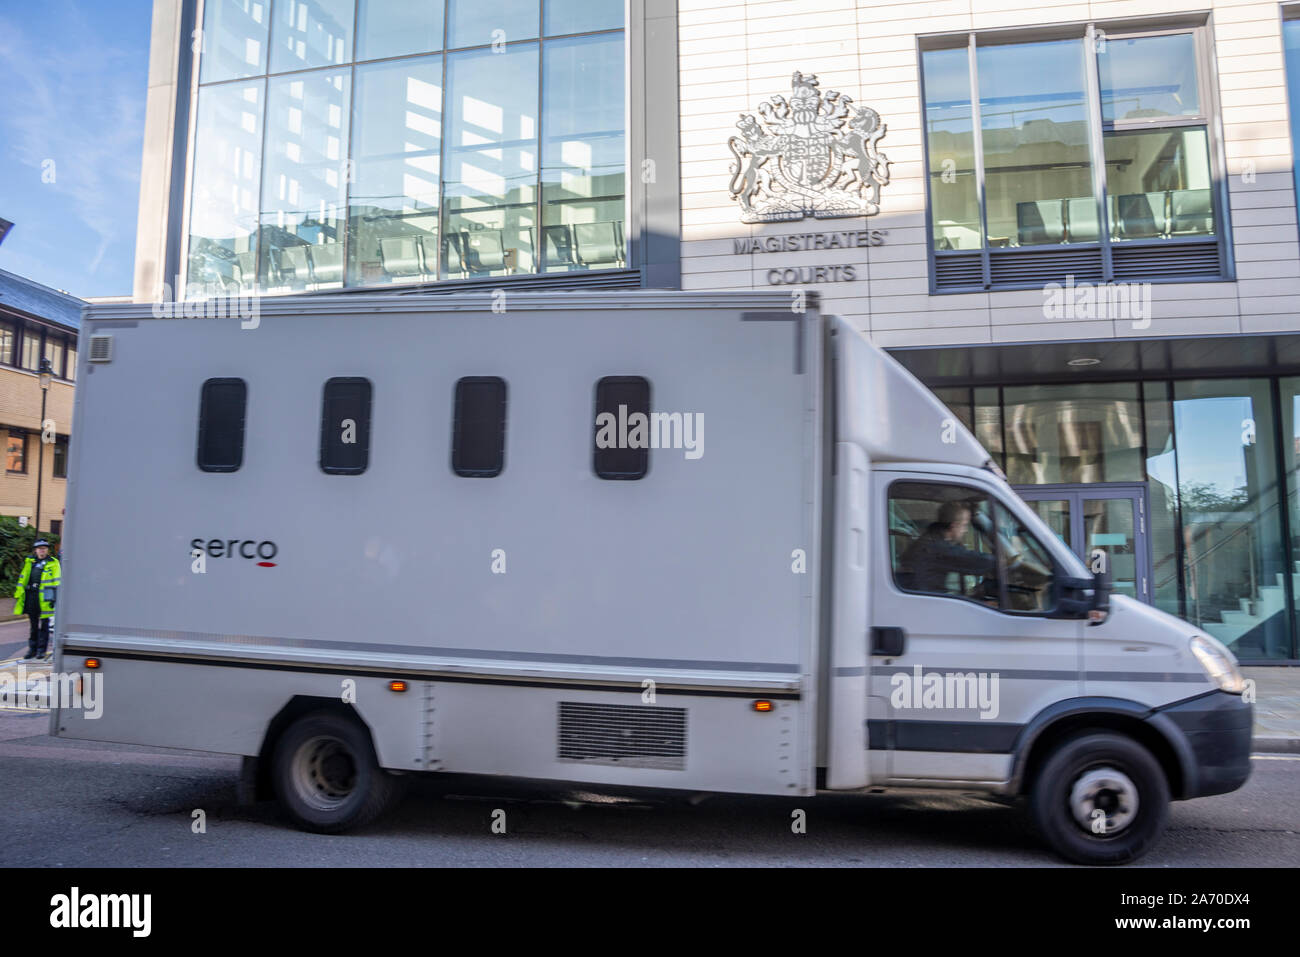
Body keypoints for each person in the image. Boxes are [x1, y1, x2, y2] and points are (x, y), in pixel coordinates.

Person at [900, 501, 998, 597]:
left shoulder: (929, 538)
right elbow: (976, 560)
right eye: (964, 525)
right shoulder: (937, 547)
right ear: (954, 526)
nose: (966, 530)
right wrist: (999, 561)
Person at [14, 538, 60, 661]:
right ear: (36, 550)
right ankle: (32, 649)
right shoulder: (30, 562)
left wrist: (53, 598)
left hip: (45, 598)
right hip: (31, 596)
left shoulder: (53, 562)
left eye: (44, 549)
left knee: (44, 626)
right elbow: (23, 578)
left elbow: (56, 581)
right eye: (39, 549)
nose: (41, 551)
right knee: (33, 626)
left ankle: (41, 650)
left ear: (47, 550)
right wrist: (19, 594)